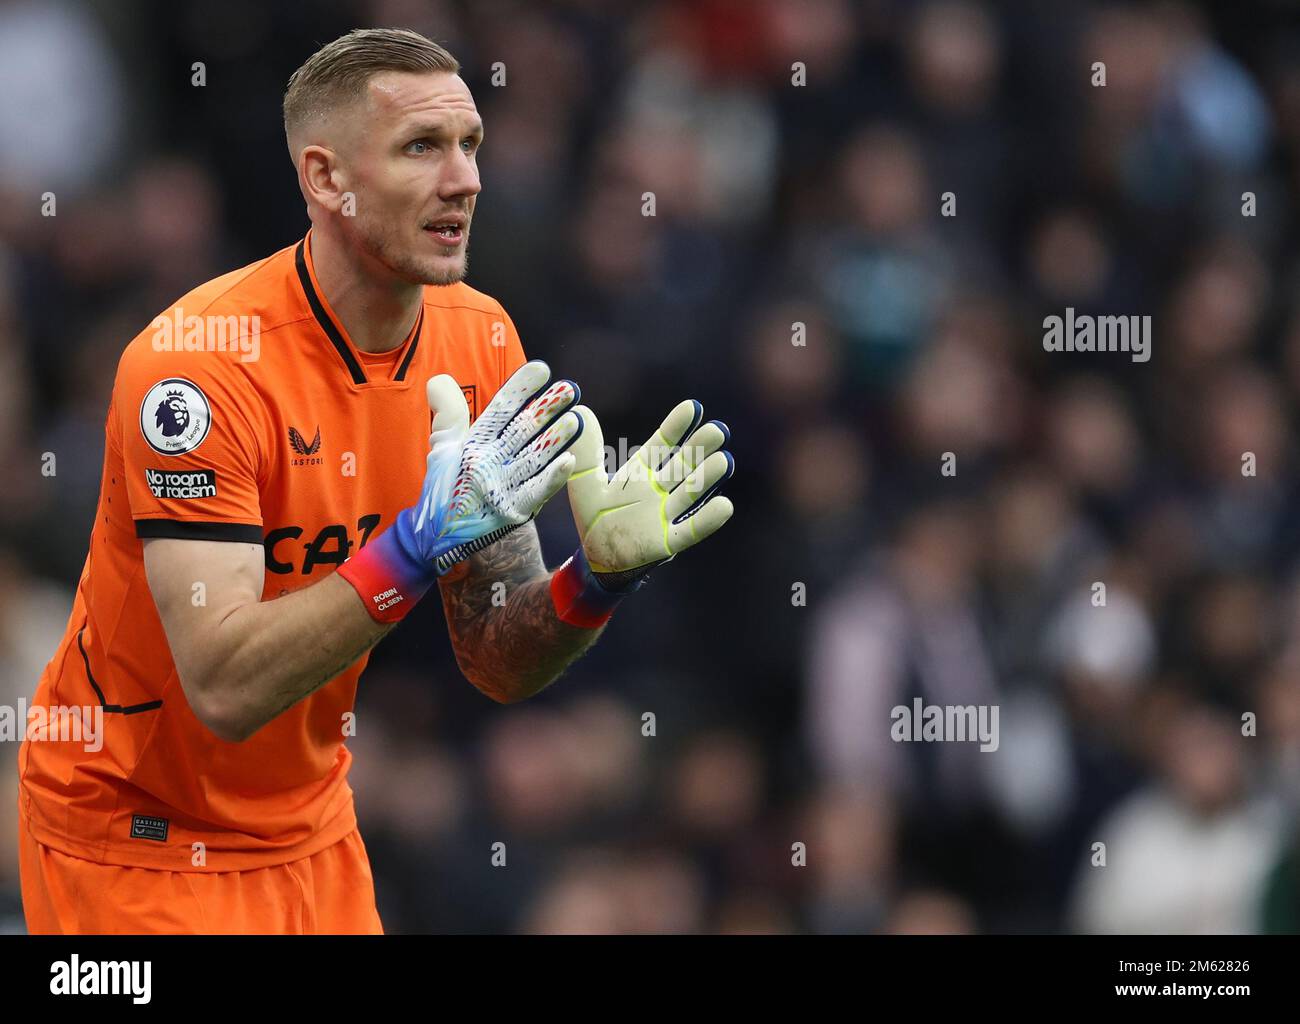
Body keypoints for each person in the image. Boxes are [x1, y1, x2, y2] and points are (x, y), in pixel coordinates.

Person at [16, 27, 733, 935]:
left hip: (310, 828)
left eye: (471, 144)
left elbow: (495, 658)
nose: (466, 178)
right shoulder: (195, 371)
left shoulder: (479, 342)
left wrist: (593, 582)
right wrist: (410, 550)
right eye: (421, 147)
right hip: (133, 837)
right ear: (326, 180)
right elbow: (225, 687)